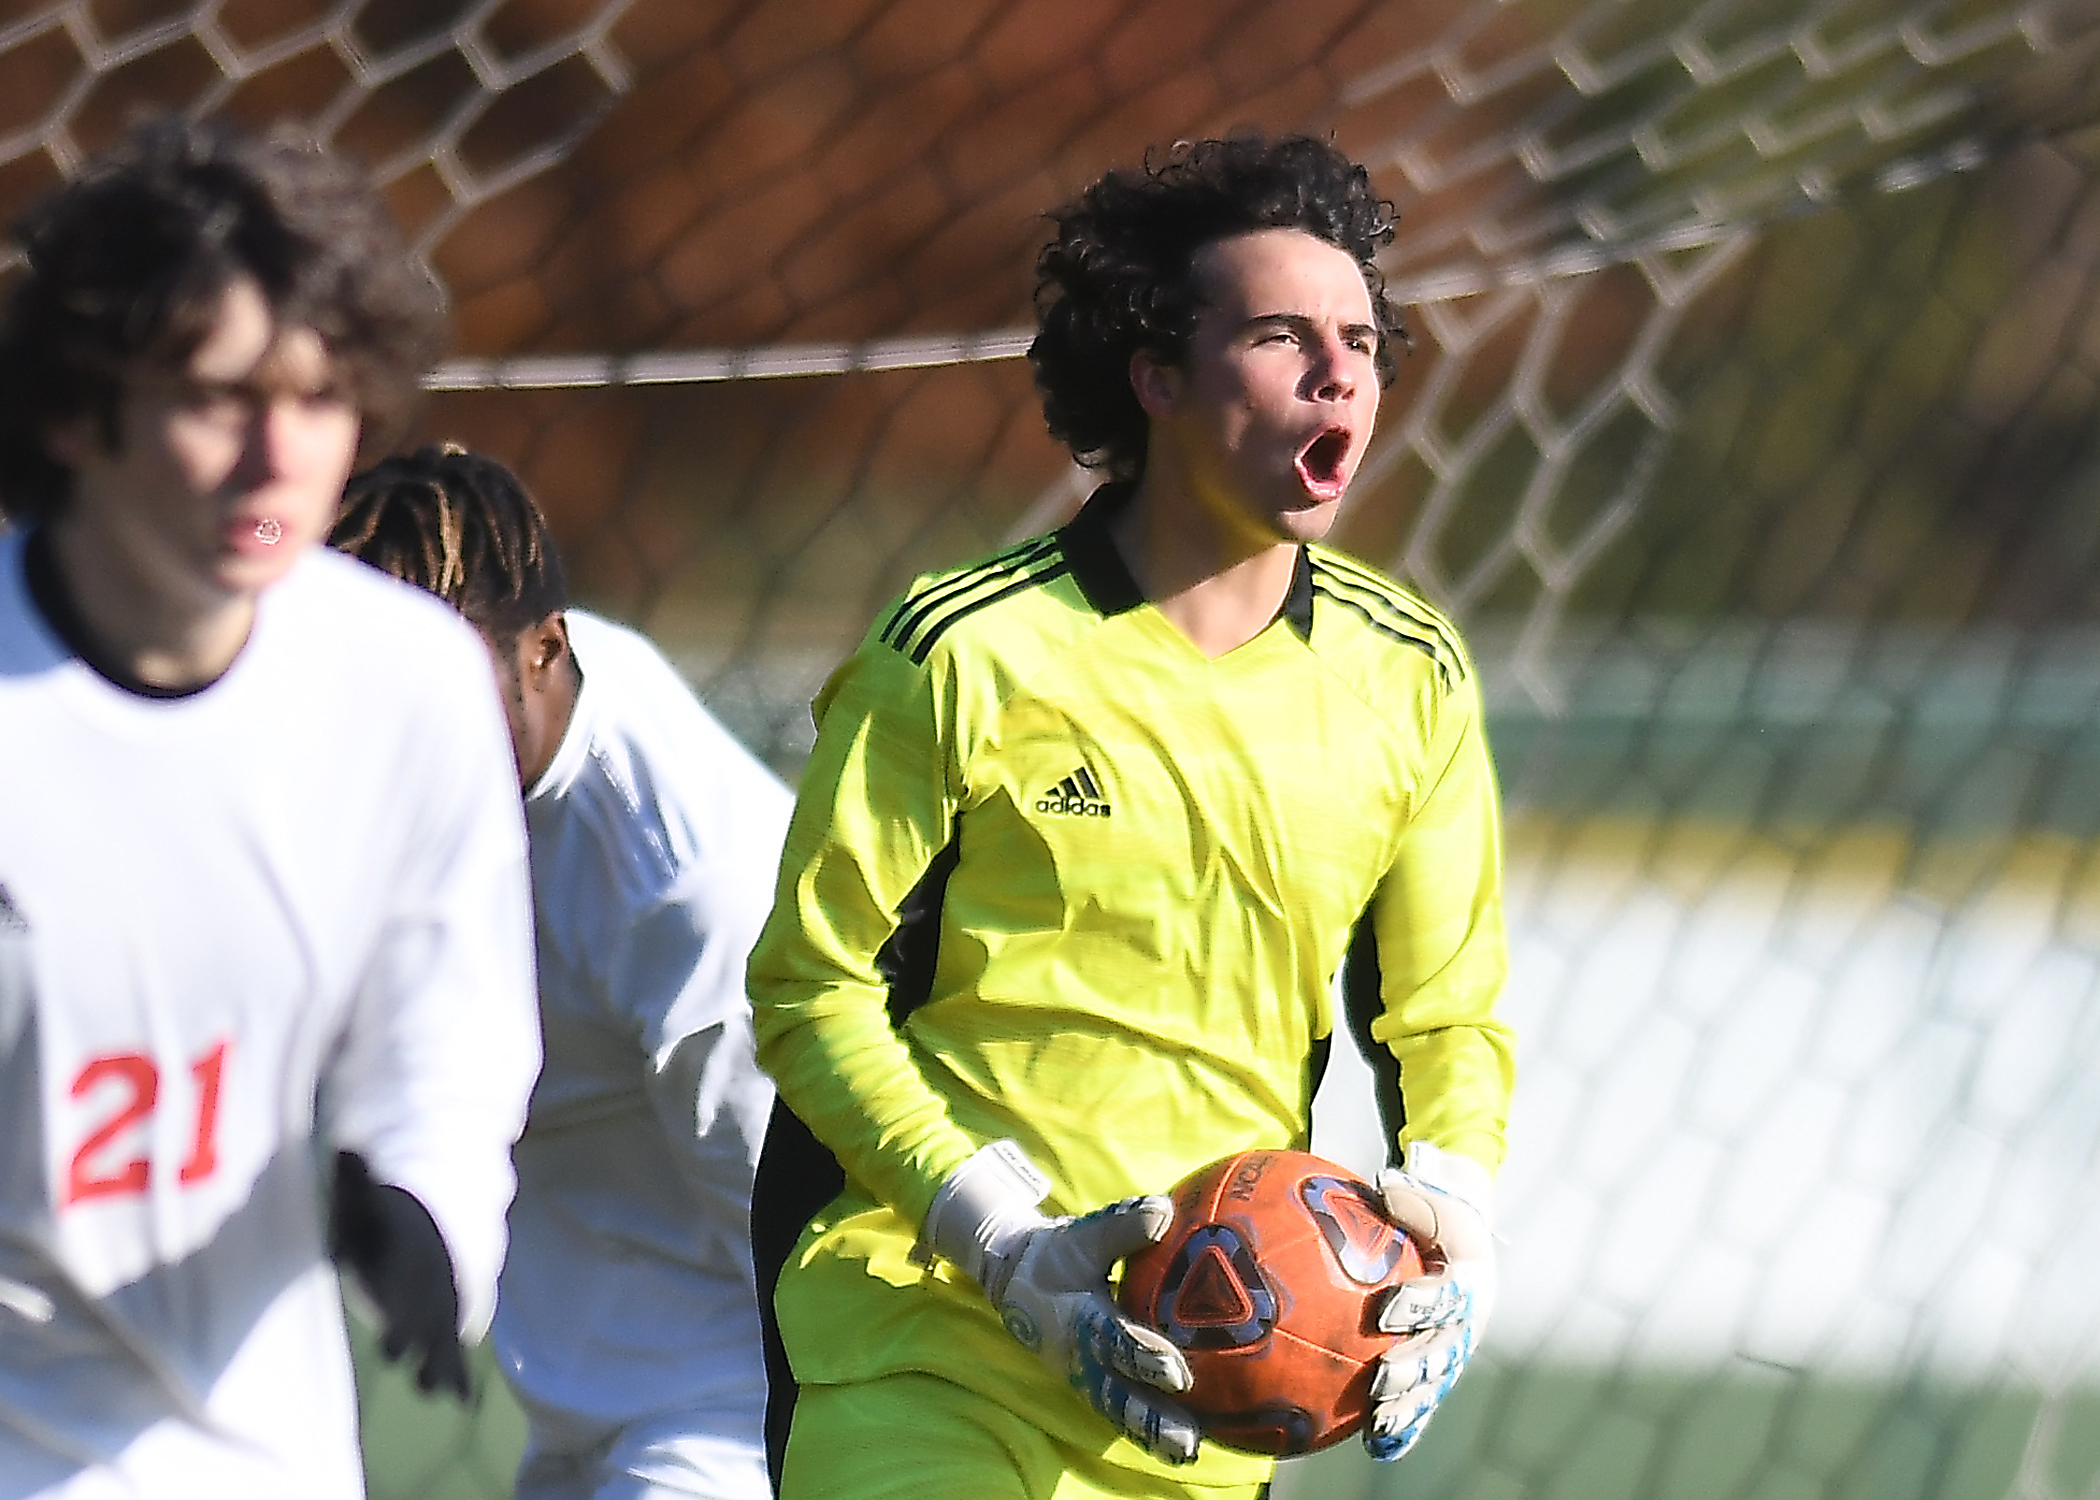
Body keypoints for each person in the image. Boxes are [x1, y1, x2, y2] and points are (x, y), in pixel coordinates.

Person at [746, 132, 1518, 1500]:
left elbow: (1445, 1019)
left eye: (1362, 339)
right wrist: (1001, 1243)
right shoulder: (963, 650)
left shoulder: (1413, 677)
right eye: (1282, 336)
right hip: (928, 1348)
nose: (1341, 371)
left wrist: (1458, 1226)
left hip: (1213, 1407)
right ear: (1153, 375)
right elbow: (812, 994)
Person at [0, 118, 542, 1496]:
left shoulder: (406, 683)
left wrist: (423, 1215)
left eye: (315, 399)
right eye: (214, 397)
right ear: (75, 410)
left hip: (262, 1455)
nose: (274, 457)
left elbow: (450, 1047)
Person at [332, 445, 792, 1500]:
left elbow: (797, 1242)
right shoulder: (437, 730)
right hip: (578, 1410)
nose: (402, 746)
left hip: (726, 1418)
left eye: (439, 704)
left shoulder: (684, 889)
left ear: (545, 652)